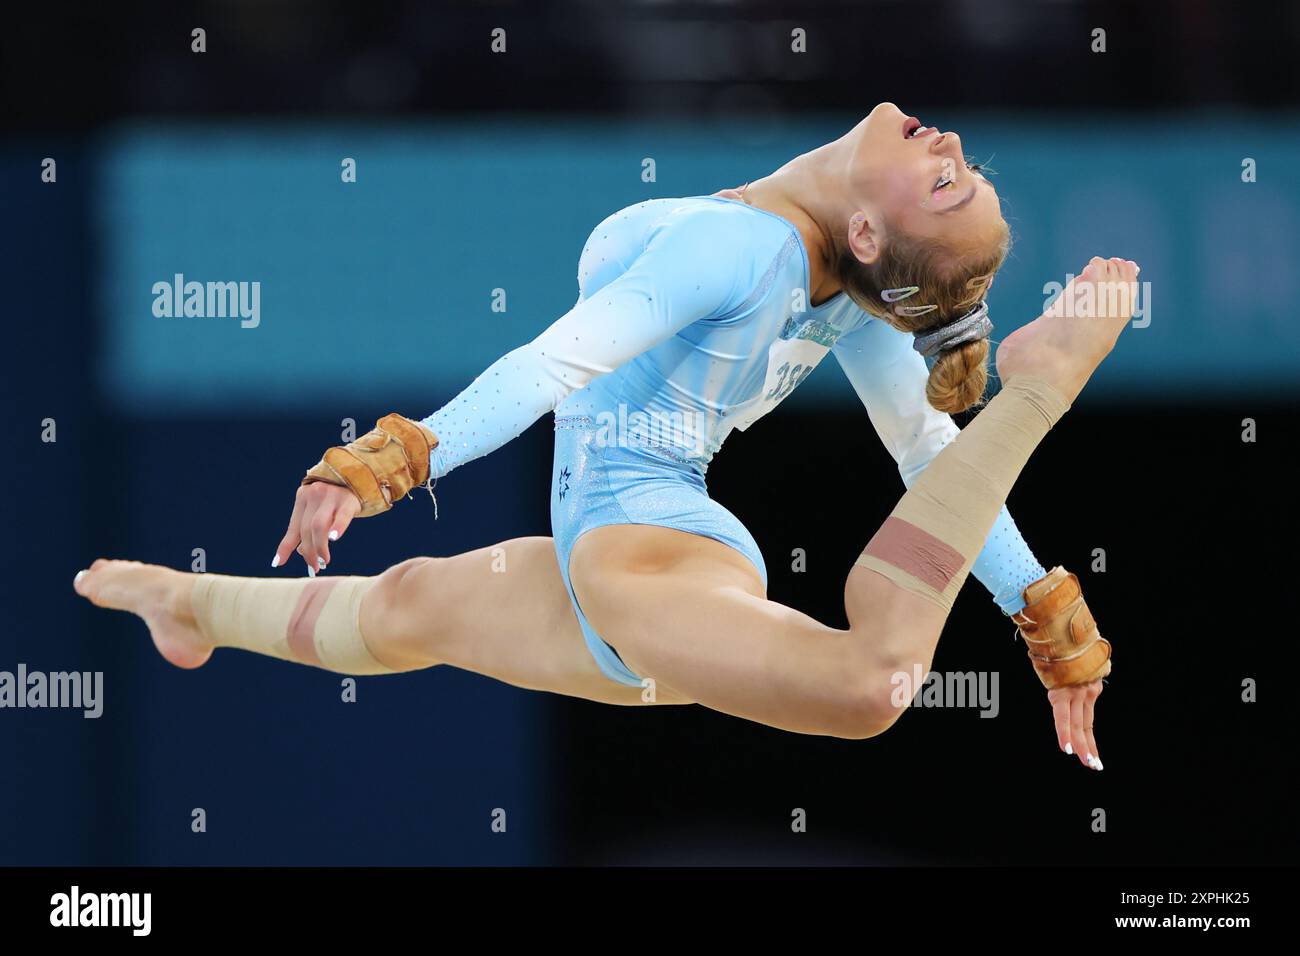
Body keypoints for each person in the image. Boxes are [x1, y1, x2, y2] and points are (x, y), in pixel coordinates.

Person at [74, 103, 1136, 770]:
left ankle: (1037, 391)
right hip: (613, 582)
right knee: (401, 609)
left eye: (949, 184)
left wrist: (387, 460)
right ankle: (189, 602)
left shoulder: (741, 250)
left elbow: (556, 363)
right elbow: (924, 461)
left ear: (869, 234)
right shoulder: (828, 273)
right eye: (961, 170)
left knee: (873, 687)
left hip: (651, 555)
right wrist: (1052, 621)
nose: (947, 145)